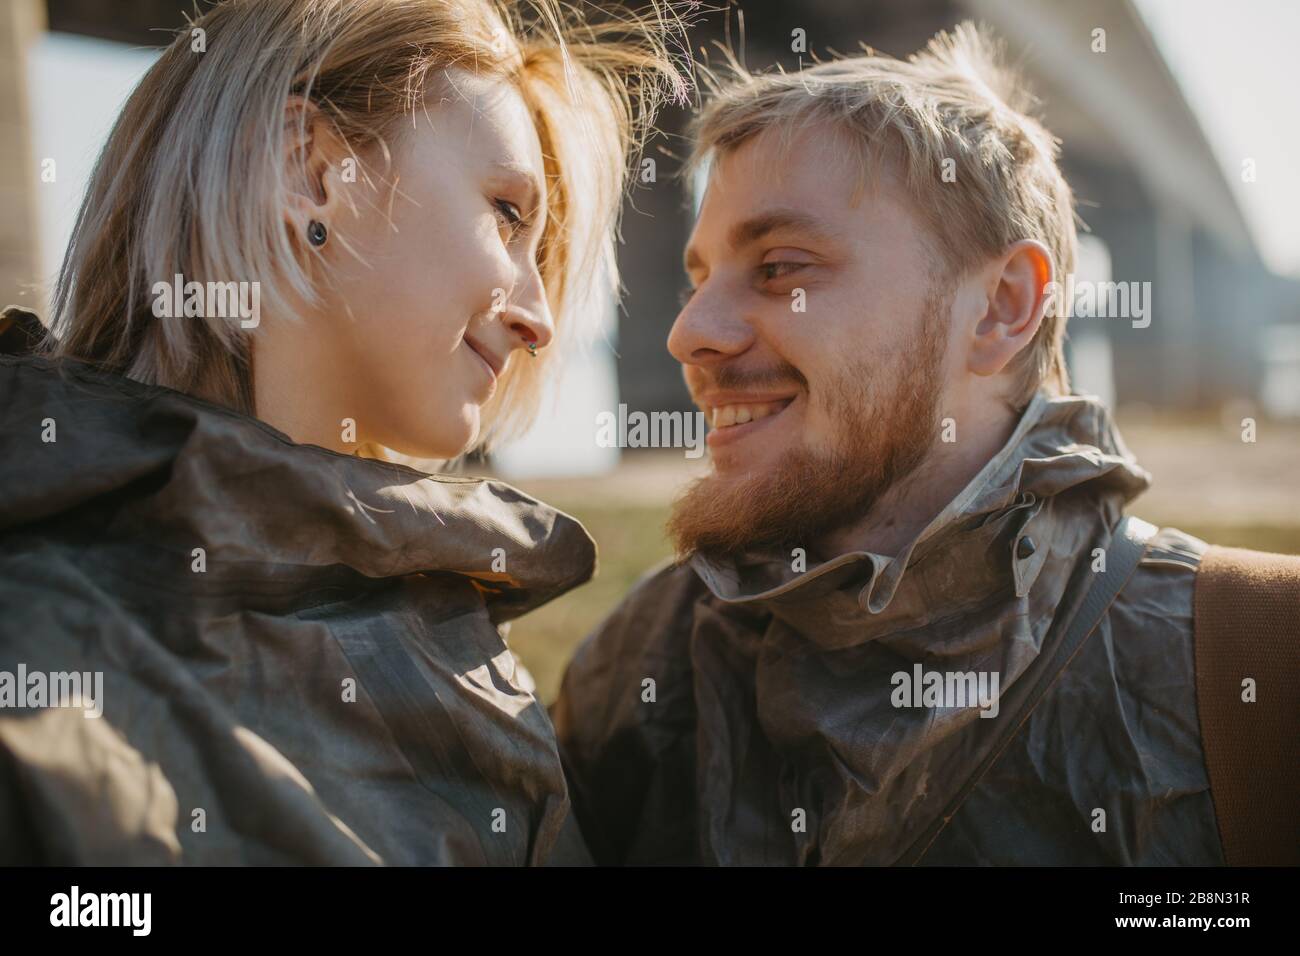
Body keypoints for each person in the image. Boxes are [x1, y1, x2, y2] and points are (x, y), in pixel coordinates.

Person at [552, 23, 1298, 865]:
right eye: (697, 280)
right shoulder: (635, 665)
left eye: (782, 267)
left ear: (1002, 307)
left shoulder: (1255, 661)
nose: (688, 333)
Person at [0, 0, 685, 864]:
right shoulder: (32, 659)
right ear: (312, 172)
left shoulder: (473, 661)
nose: (541, 319)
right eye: (509, 214)